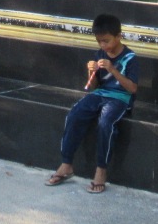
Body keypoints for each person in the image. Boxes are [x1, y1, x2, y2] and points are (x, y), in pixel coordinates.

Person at [44, 13, 138, 194]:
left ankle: (101, 170)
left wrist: (112, 69)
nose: (103, 46)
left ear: (119, 36)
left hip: (120, 97)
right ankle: (66, 164)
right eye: (99, 41)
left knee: (105, 123)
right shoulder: (101, 53)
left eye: (107, 41)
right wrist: (91, 72)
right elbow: (94, 86)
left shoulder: (130, 58)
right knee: (75, 113)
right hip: (100, 93)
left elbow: (132, 88)